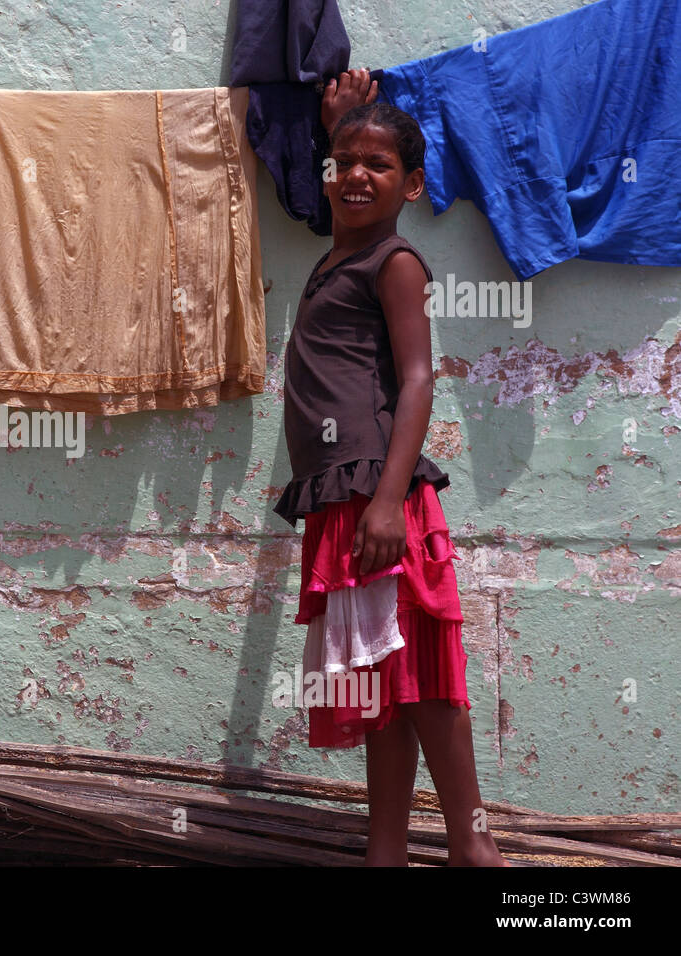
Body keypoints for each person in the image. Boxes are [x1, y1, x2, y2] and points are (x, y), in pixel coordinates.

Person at [272, 69, 506, 866]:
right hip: (344, 497)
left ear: (412, 187)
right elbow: (352, 146)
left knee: (427, 680)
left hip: (380, 496)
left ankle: (475, 850)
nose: (356, 175)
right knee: (383, 687)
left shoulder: (394, 262)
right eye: (344, 162)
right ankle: (386, 853)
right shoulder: (338, 257)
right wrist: (342, 119)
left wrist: (386, 500)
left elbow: (417, 379)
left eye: (379, 165)